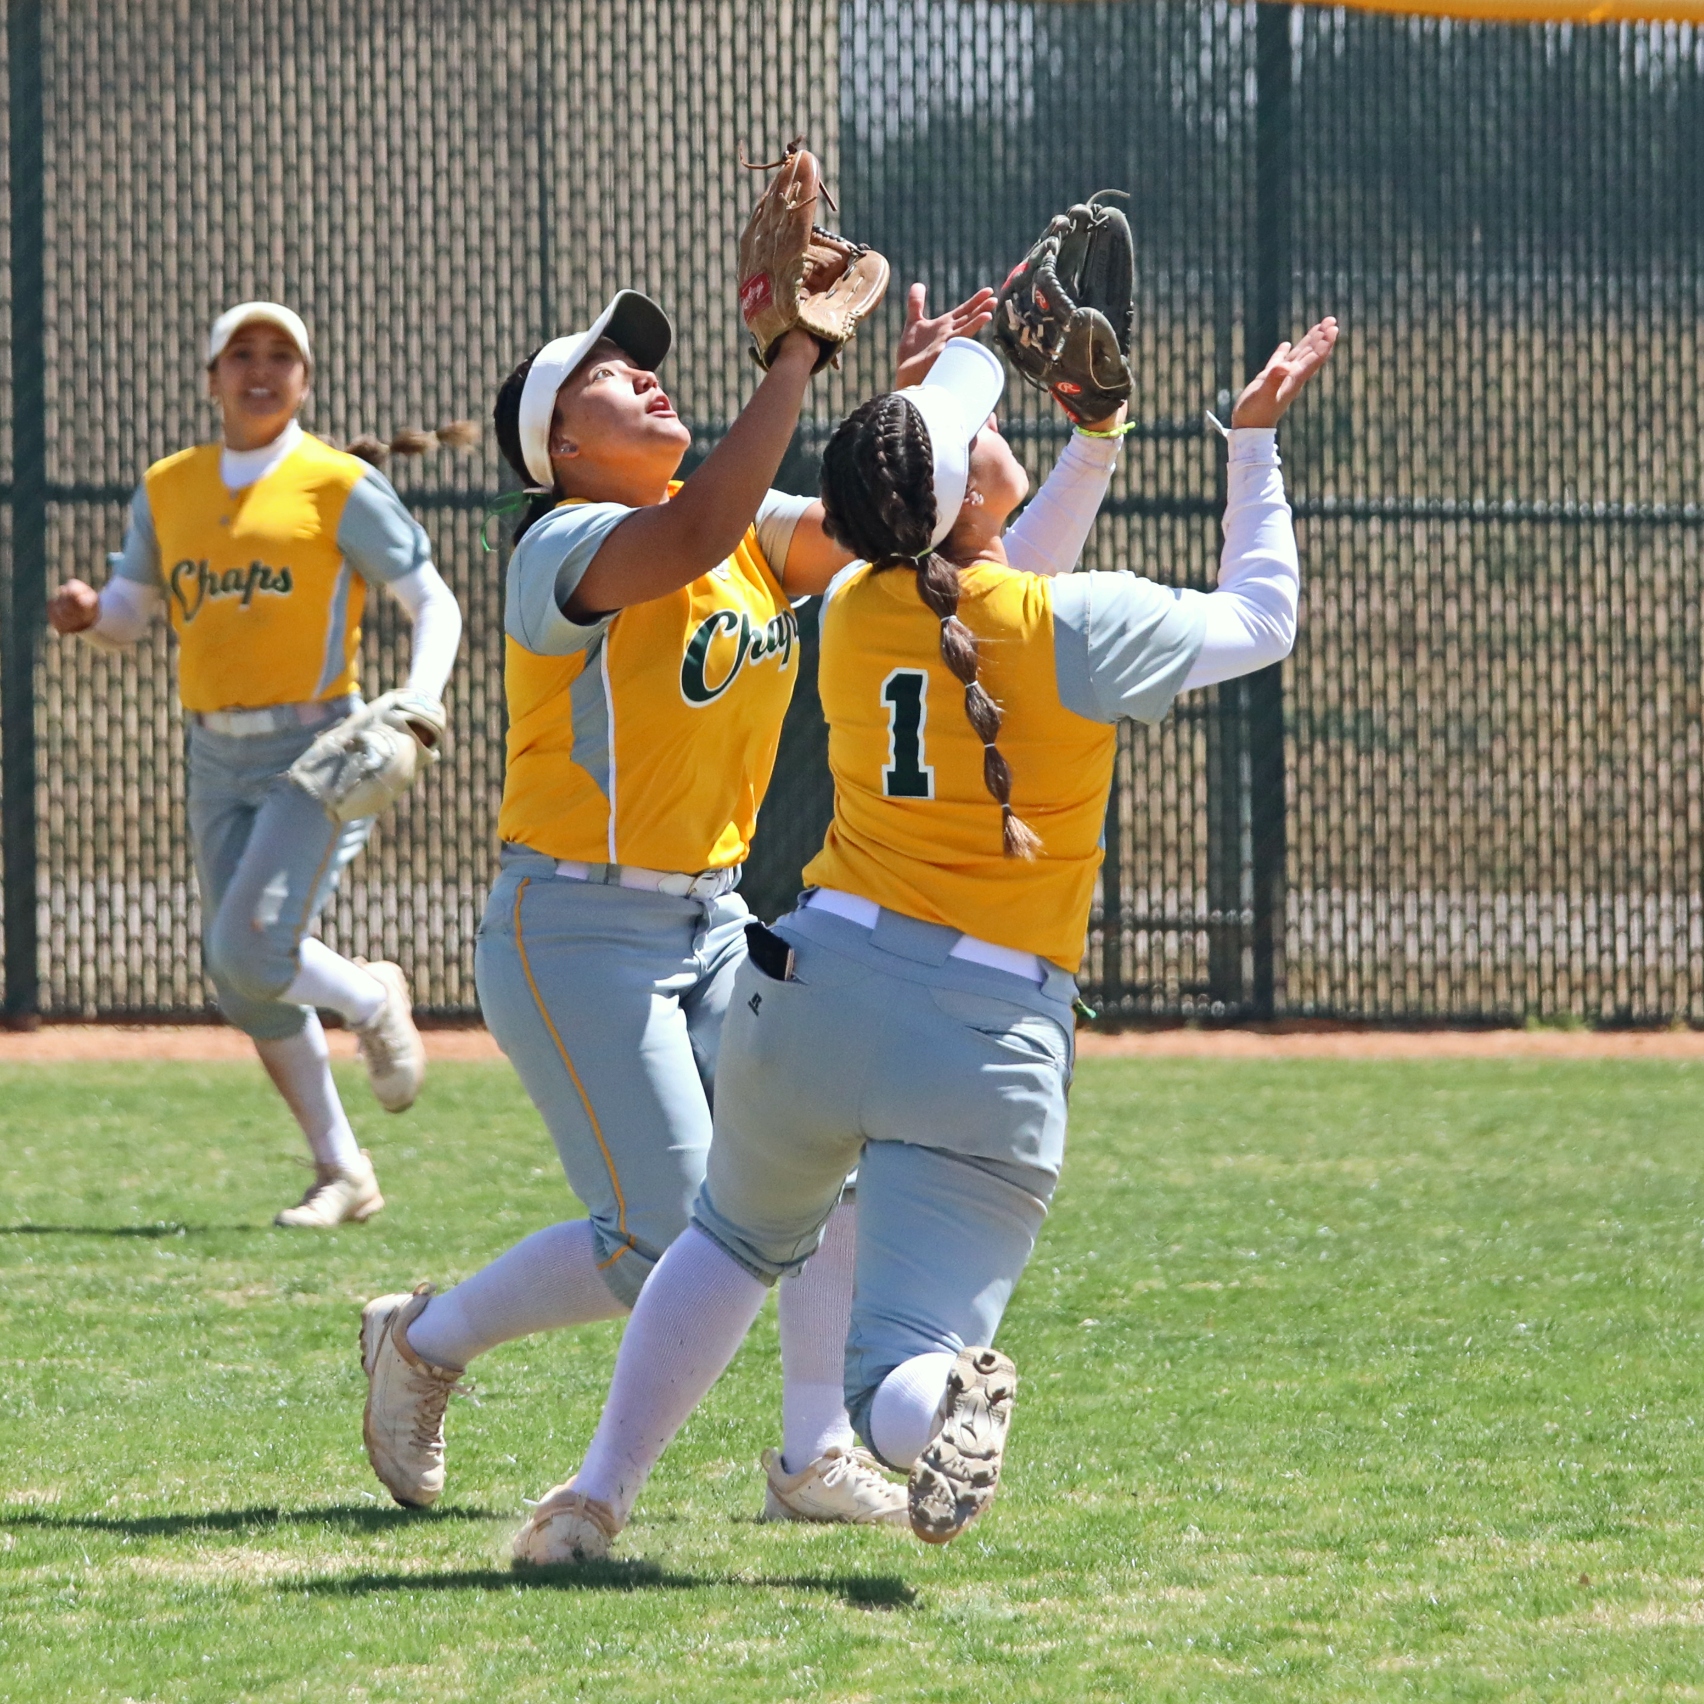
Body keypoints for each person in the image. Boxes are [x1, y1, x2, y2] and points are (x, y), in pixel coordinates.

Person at [503, 315, 1340, 1562]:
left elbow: (982, 578)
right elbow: (1257, 616)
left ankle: (596, 1495)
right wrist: (1254, 443)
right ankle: (932, 1404)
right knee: (900, 1356)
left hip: (816, 991)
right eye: (983, 437)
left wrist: (1057, 430)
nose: (995, 442)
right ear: (961, 498)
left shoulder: (854, 609)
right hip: (984, 1034)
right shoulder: (1067, 625)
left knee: (731, 1239)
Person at [357, 278, 1004, 1527]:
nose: (646, 375)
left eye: (644, 362)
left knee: (825, 1158)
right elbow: (694, 536)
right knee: (658, 1237)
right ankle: (425, 1341)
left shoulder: (745, 525)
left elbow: (877, 522)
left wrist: (923, 401)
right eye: (607, 373)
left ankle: (813, 1453)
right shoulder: (557, 545)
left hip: (709, 922)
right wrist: (798, 358)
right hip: (576, 932)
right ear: (562, 447)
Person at [47, 301, 464, 1228]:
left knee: (244, 950)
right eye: (243, 354)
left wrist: (418, 699)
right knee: (243, 977)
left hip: (316, 751)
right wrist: (89, 613)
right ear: (212, 378)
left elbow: (433, 601)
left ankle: (368, 996)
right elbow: (130, 611)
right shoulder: (169, 486)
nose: (261, 368)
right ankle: (343, 1170)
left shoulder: (336, 483)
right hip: (212, 752)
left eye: (283, 355)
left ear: (306, 381)